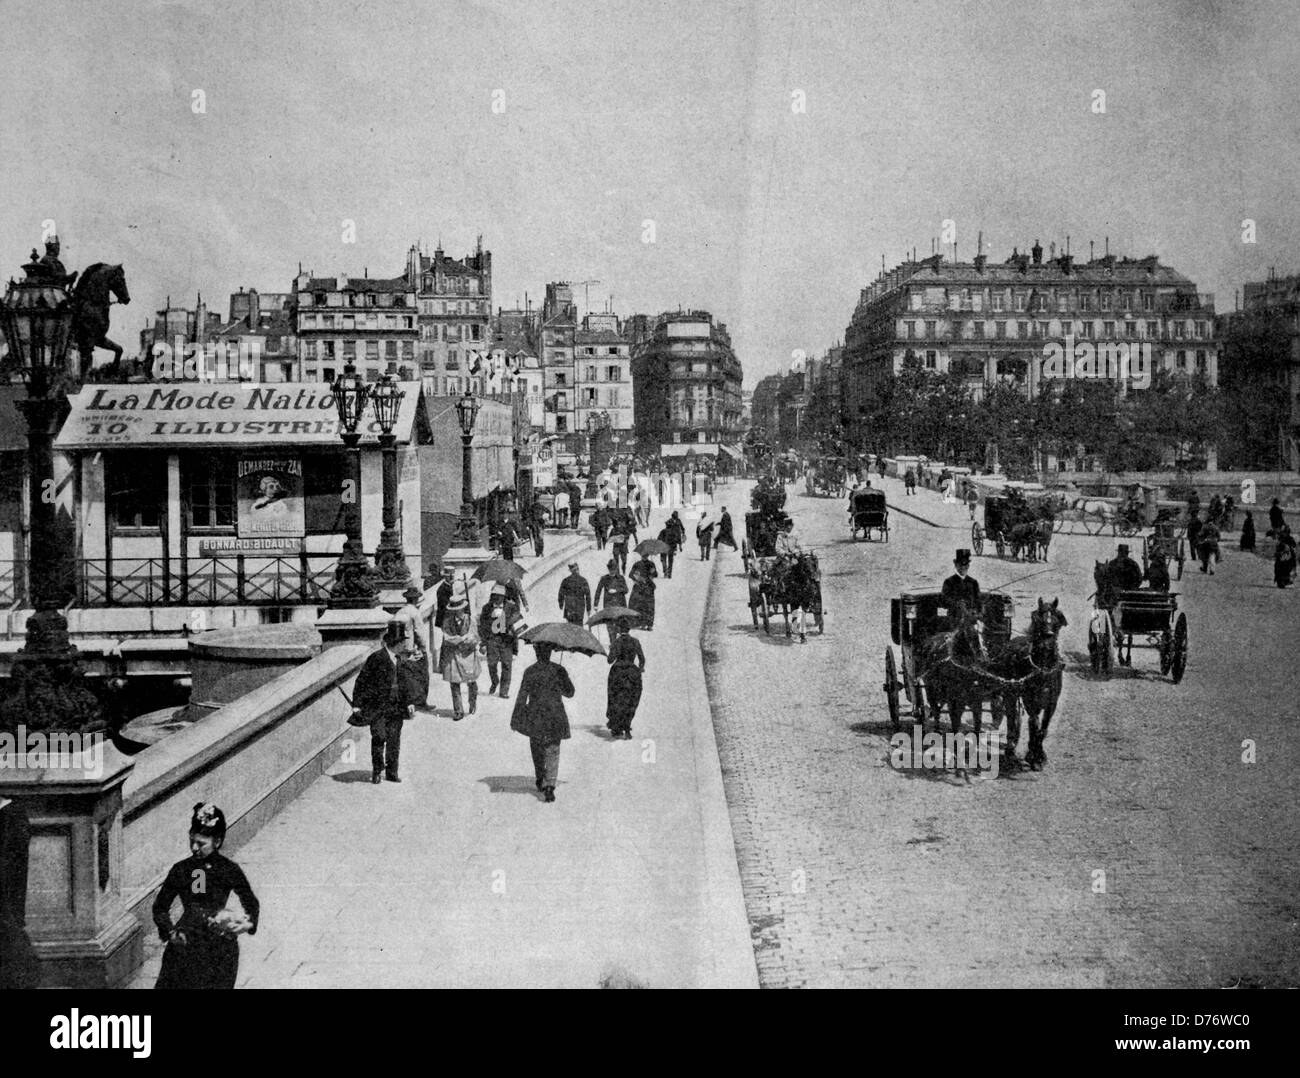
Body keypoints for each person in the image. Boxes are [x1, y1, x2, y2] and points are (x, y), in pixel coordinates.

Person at [152, 803, 259, 989]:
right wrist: (170, 931)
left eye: (201, 843)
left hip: (219, 948)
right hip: (185, 945)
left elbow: (250, 901)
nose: (194, 848)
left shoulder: (229, 869)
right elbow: (160, 907)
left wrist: (247, 923)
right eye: (192, 840)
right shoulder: (181, 869)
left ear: (217, 842)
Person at [510, 642, 575, 802]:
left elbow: (522, 696)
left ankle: (540, 778)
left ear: (536, 651)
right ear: (551, 652)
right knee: (553, 749)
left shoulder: (530, 671)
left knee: (537, 747)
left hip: (535, 715)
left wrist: (515, 718)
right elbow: (570, 693)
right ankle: (550, 784)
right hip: (555, 715)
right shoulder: (559, 670)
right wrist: (561, 680)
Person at [355, 621, 419, 779]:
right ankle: (377, 771)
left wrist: (409, 702)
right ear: (395, 643)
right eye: (403, 641)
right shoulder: (376, 658)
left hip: (396, 707)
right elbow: (361, 682)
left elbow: (406, 683)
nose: (405, 644)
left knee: (394, 740)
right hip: (378, 707)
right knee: (379, 737)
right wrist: (357, 705)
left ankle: (392, 772)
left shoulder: (400, 660)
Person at [439, 594, 481, 720]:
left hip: (468, 654)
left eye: (458, 609)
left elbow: (475, 637)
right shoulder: (447, 622)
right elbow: (446, 637)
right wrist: (460, 639)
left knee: (471, 681)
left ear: (462, 609)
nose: (456, 612)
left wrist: (467, 640)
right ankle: (458, 710)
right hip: (454, 655)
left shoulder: (471, 620)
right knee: (454, 683)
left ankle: (472, 702)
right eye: (453, 610)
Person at [478, 583, 523, 698]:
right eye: (495, 596)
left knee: (507, 665)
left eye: (500, 596)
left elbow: (517, 617)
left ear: (504, 597)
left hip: (506, 640)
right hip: (492, 639)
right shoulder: (487, 608)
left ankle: (504, 691)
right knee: (491, 663)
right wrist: (482, 643)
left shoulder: (511, 606)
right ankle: (494, 681)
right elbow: (482, 626)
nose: (497, 599)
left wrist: (507, 621)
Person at [606, 618, 646, 740]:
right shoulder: (635, 641)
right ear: (629, 629)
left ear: (619, 629)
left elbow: (610, 660)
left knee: (615, 698)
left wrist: (611, 649)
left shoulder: (617, 642)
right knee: (632, 699)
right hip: (632, 673)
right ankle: (627, 726)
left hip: (617, 672)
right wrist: (639, 669)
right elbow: (642, 659)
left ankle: (616, 726)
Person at [395, 584, 433, 708]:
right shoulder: (415, 613)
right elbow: (419, 633)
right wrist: (423, 648)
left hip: (402, 649)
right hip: (414, 649)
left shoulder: (400, 611)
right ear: (415, 599)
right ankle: (421, 701)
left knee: (406, 678)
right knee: (422, 676)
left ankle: (408, 703)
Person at [939, 548, 981, 620]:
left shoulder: (973, 582)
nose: (963, 567)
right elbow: (944, 601)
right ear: (955, 565)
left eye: (965, 565)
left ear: (968, 566)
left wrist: (977, 614)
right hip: (954, 619)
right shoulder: (948, 582)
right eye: (960, 565)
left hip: (971, 618)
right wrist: (957, 604)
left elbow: (978, 601)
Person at [628, 553, 659, 630]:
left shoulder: (651, 564)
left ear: (648, 556)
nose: (644, 557)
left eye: (646, 555)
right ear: (641, 556)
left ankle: (649, 624)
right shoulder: (637, 564)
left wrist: (653, 572)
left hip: (649, 587)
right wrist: (636, 579)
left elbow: (655, 574)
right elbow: (631, 574)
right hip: (639, 586)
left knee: (649, 606)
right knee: (639, 605)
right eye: (643, 555)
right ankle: (640, 623)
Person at [1275, 524, 1297, 588]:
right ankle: (1280, 581)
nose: (1284, 534)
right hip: (1281, 557)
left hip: (1288, 558)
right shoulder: (1280, 539)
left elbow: (1293, 548)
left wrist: (1289, 549)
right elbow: (1277, 547)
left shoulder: (1290, 539)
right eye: (1283, 532)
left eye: (1285, 532)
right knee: (1278, 567)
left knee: (1288, 568)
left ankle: (1287, 580)